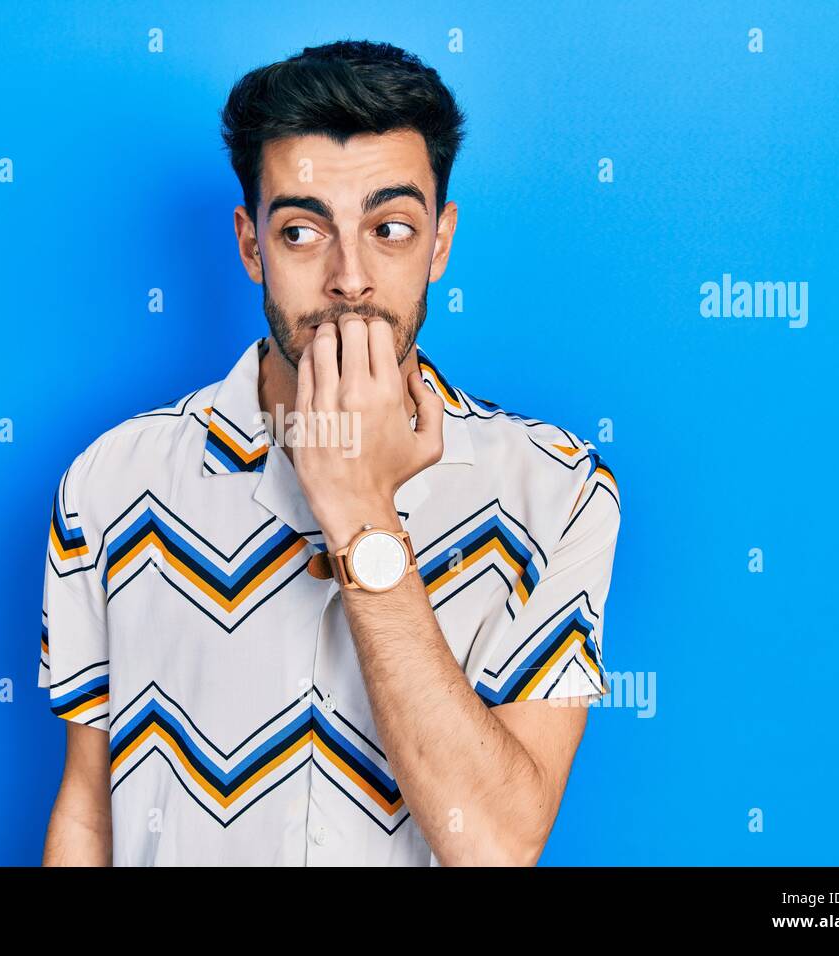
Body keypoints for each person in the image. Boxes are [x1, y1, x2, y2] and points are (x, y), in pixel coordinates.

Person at [39, 39, 621, 866]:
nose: (350, 278)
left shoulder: (558, 491)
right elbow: (88, 810)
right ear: (251, 246)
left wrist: (358, 510)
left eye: (390, 228)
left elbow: (494, 845)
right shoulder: (110, 484)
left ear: (441, 242)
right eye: (304, 231)